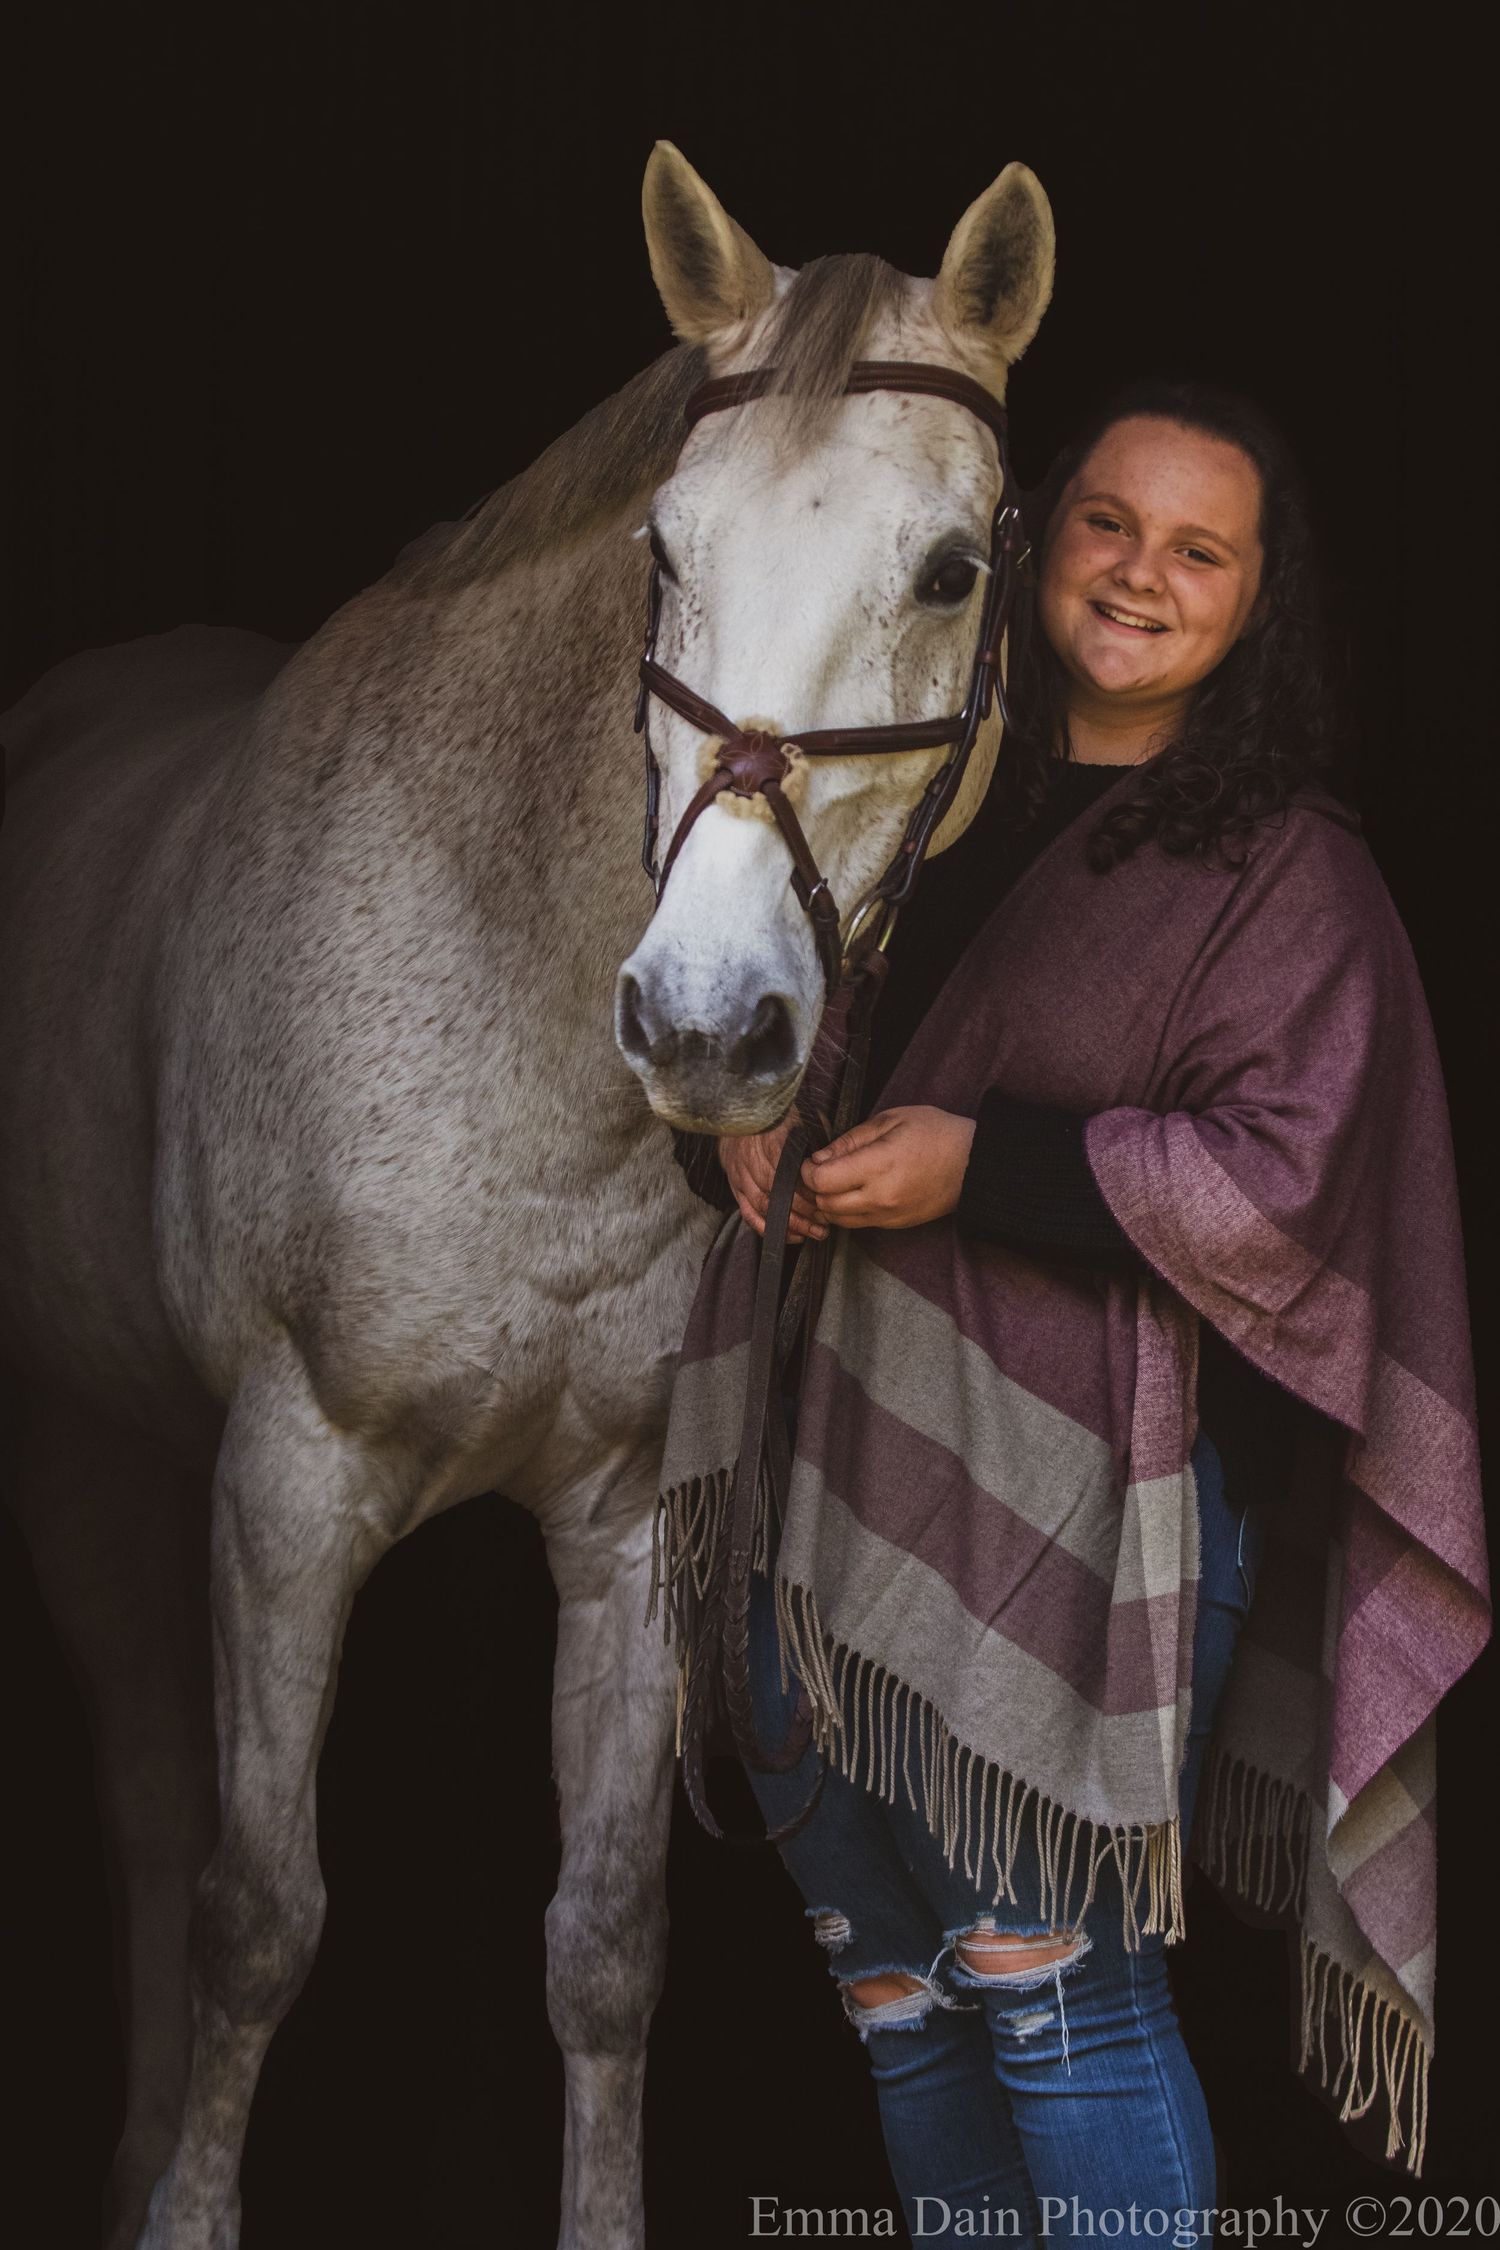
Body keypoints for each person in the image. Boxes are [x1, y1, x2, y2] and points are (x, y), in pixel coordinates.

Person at [659, 381, 1486, 2240]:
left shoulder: (1289, 870)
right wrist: (745, 1126)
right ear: (1037, 540)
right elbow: (753, 999)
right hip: (811, 1505)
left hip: (1091, 1536)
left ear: (1258, 601)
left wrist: (989, 1164)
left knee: (1055, 1997)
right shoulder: (913, 800)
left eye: (1200, 549)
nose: (1140, 575)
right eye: (1108, 524)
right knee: (905, 2009)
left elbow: (1284, 1191)